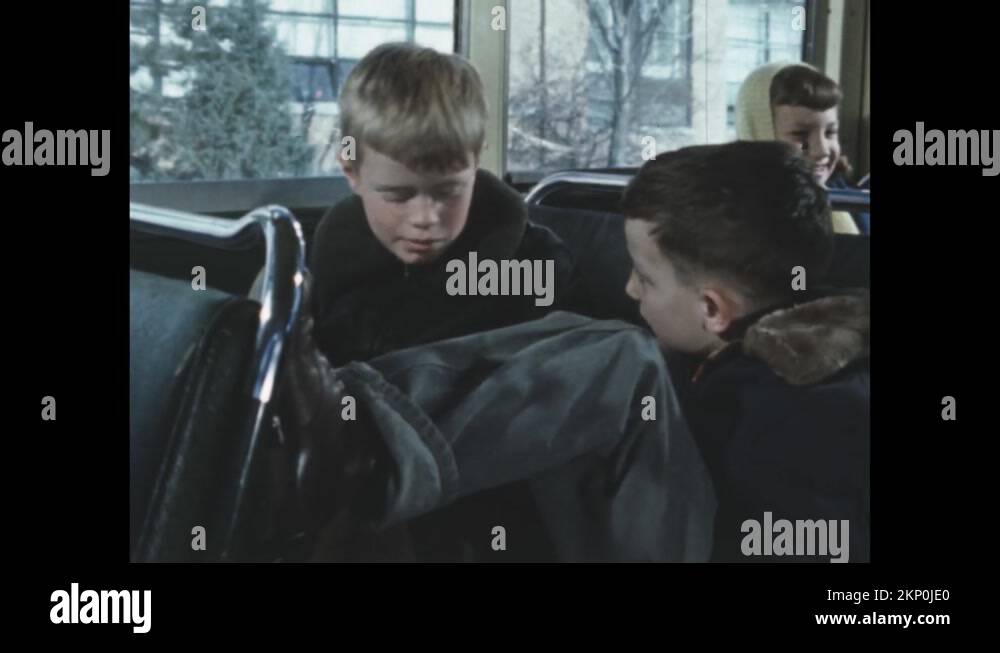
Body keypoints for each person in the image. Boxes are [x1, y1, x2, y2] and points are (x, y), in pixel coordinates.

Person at [271, 42, 716, 562]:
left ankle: (367, 439)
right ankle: (362, 438)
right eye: (398, 195)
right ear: (352, 174)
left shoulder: (531, 264)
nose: (425, 217)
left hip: (498, 510)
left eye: (447, 192)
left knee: (625, 357)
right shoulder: (321, 271)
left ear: (476, 165)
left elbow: (592, 400)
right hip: (379, 522)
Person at [620, 141, 869, 562]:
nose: (629, 288)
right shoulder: (820, 346)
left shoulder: (784, 423)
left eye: (645, 278)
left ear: (713, 309)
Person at [736, 62, 867, 234]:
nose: (822, 151)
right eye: (800, 134)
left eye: (830, 133)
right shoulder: (745, 220)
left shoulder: (854, 200)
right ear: (758, 133)